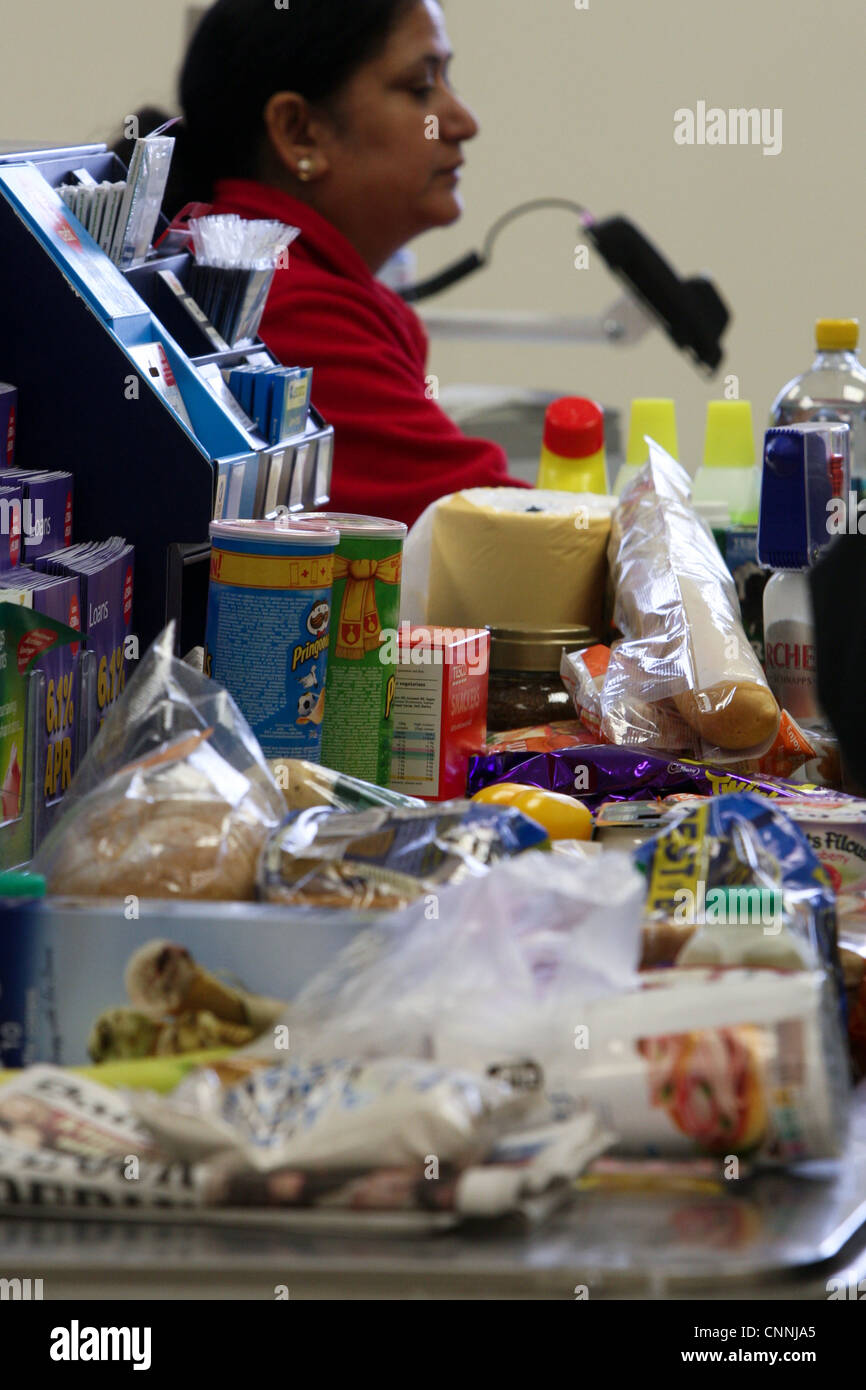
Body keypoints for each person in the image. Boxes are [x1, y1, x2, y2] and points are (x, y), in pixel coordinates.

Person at [175, 0, 528, 528]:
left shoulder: (298, 283)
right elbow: (501, 536)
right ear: (300, 133)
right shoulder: (279, 307)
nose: (462, 121)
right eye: (420, 88)